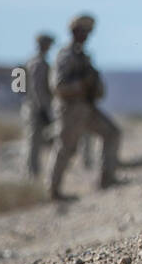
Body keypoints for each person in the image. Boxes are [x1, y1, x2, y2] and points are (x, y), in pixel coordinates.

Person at [47, 15, 120, 199]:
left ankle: (106, 179)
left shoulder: (83, 57)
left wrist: (94, 86)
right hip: (70, 110)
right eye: (82, 32)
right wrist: (81, 84)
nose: (86, 36)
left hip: (87, 109)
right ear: (74, 32)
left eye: (88, 32)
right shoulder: (65, 56)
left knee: (112, 133)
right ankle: (52, 191)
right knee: (65, 148)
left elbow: (96, 85)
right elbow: (58, 86)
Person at [20, 32, 54, 179]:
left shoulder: (33, 62)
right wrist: (44, 110)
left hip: (35, 107)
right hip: (36, 109)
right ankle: (31, 175)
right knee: (34, 143)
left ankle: (33, 174)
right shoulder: (38, 63)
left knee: (37, 142)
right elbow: (37, 88)